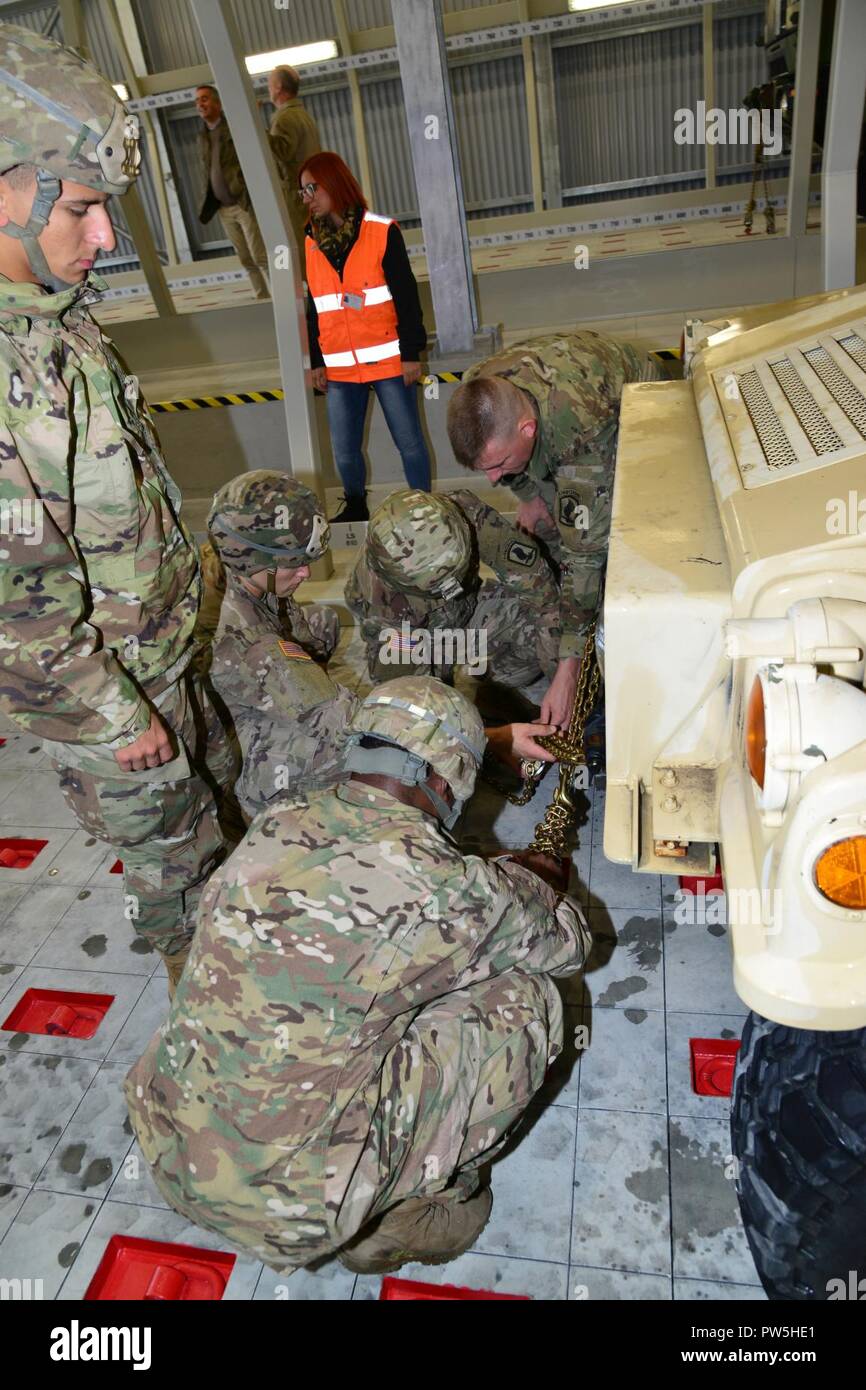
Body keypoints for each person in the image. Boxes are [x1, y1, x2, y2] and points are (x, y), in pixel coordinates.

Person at [124, 676, 591, 1275]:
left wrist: (483, 887)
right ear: (447, 778)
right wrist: (533, 881)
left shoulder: (279, 819)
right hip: (289, 1208)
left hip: (170, 1143)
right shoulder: (451, 889)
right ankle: (403, 1214)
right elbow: (568, 945)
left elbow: (379, 896)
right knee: (524, 997)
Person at [0, 25, 237, 996]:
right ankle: (212, 1041)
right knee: (179, 880)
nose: (105, 239)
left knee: (213, 818)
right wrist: (116, 717)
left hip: (158, 658)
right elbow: (18, 612)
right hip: (111, 695)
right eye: (84, 209)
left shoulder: (52, 317)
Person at [447, 332, 663, 727]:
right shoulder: (479, 391)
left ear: (528, 430)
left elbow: (585, 553)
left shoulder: (579, 426)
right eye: (485, 469)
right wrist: (530, 494)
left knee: (607, 539)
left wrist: (568, 670)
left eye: (499, 464)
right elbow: (517, 470)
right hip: (561, 405)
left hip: (639, 400)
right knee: (553, 517)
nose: (493, 480)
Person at [205, 470, 356, 821]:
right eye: (294, 564)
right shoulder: (248, 640)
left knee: (321, 622)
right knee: (326, 748)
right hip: (217, 746)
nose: (306, 573)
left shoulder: (233, 561)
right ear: (254, 559)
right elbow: (341, 721)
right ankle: (255, 812)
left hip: (238, 685)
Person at [302, 151, 431, 523]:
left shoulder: (382, 231)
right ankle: (356, 507)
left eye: (312, 187)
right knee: (344, 452)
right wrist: (316, 362)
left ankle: (426, 508)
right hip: (340, 366)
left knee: (409, 443)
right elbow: (315, 306)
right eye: (302, 191)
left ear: (335, 183)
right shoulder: (310, 241)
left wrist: (411, 353)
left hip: (388, 360)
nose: (307, 198)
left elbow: (406, 297)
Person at [345, 488, 560, 690]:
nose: (452, 585)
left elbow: (542, 593)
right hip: (423, 642)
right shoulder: (378, 600)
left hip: (468, 613)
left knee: (546, 626)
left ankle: (488, 687)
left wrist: (560, 681)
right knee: (408, 699)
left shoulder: (464, 514)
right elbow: (411, 690)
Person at [196, 84, 270, 301]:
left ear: (218, 103)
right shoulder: (202, 137)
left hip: (242, 203)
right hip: (223, 209)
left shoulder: (233, 128)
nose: (200, 104)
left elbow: (249, 141)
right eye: (197, 101)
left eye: (204, 99)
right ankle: (262, 298)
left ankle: (280, 296)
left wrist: (251, 116)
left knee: (259, 255)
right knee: (245, 258)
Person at [266, 64, 320, 271]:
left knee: (301, 245)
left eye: (270, 84)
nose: (268, 89)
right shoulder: (302, 114)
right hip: (310, 189)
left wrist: (259, 132)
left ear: (279, 87)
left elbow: (284, 152)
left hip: (295, 194)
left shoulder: (285, 118)